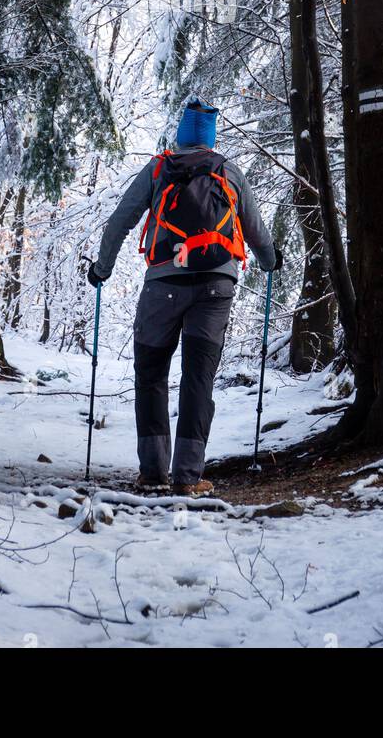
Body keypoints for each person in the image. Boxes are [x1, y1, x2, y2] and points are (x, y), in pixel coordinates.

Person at [88, 98, 281, 497]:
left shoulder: (159, 168)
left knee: (151, 373)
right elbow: (256, 229)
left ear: (180, 136)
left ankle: (154, 470)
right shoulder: (228, 171)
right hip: (215, 287)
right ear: (210, 139)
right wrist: (270, 261)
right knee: (198, 379)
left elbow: (121, 219)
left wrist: (102, 268)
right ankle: (188, 478)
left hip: (162, 286)